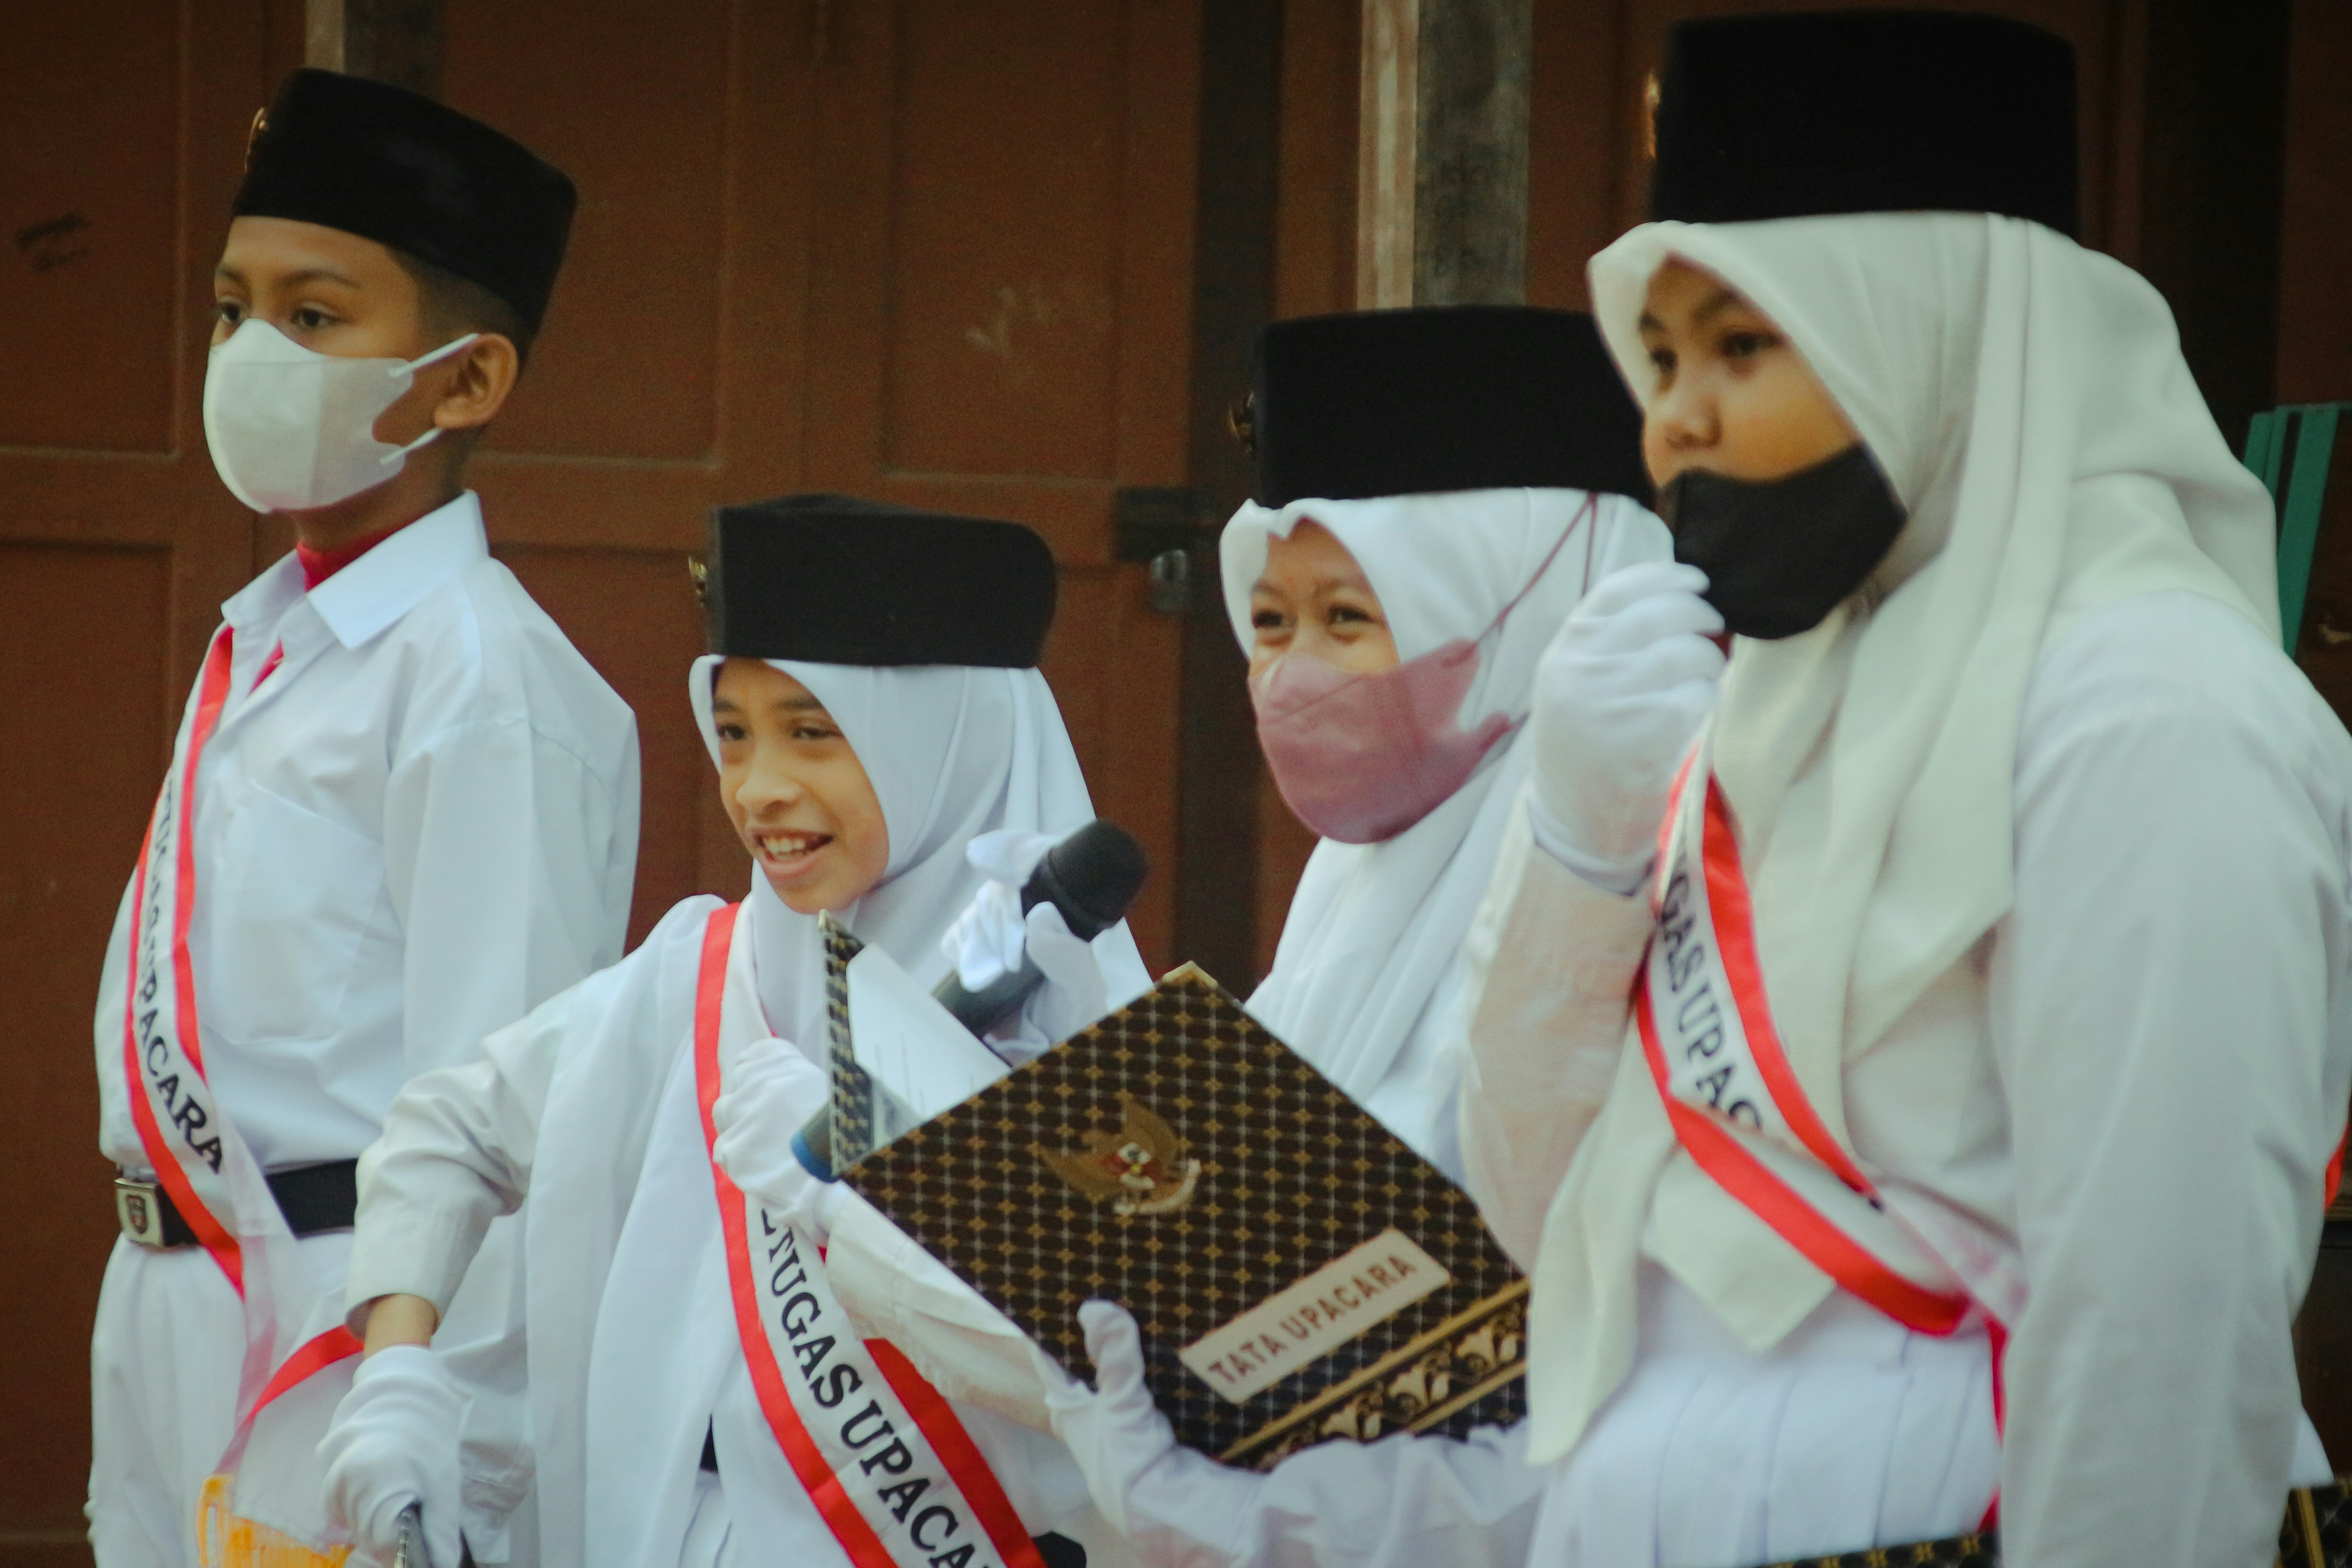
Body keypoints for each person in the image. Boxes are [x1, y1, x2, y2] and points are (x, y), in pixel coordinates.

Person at [1451, 13, 2352, 1568]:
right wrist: (1577, 852)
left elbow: (2165, 1312)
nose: (1672, 421)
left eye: (1745, 346)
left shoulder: (2148, 707)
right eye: (1659, 359)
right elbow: (1537, 1215)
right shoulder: (1757, 705)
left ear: (1945, 339)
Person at [833, 307, 1672, 1568]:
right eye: (1270, 624)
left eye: (1349, 618)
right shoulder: (1362, 877)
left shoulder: (1652, 870)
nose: (1291, 676)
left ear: (1528, 613)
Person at [325, 495, 1154, 1568]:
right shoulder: (702, 971)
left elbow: (1129, 1370)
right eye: (732, 732)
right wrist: (396, 1377)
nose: (758, 788)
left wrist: (860, 1187)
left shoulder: (1094, 1029)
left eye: (812, 731)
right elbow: (449, 1129)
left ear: (951, 741)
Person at [89, 68, 638, 1568]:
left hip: (348, 1318)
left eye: (316, 317)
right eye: (231, 308)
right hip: (170, 1287)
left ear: (462, 382)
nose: (255, 353)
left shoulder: (484, 679)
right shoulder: (271, 632)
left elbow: (502, 1103)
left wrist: (444, 1424)